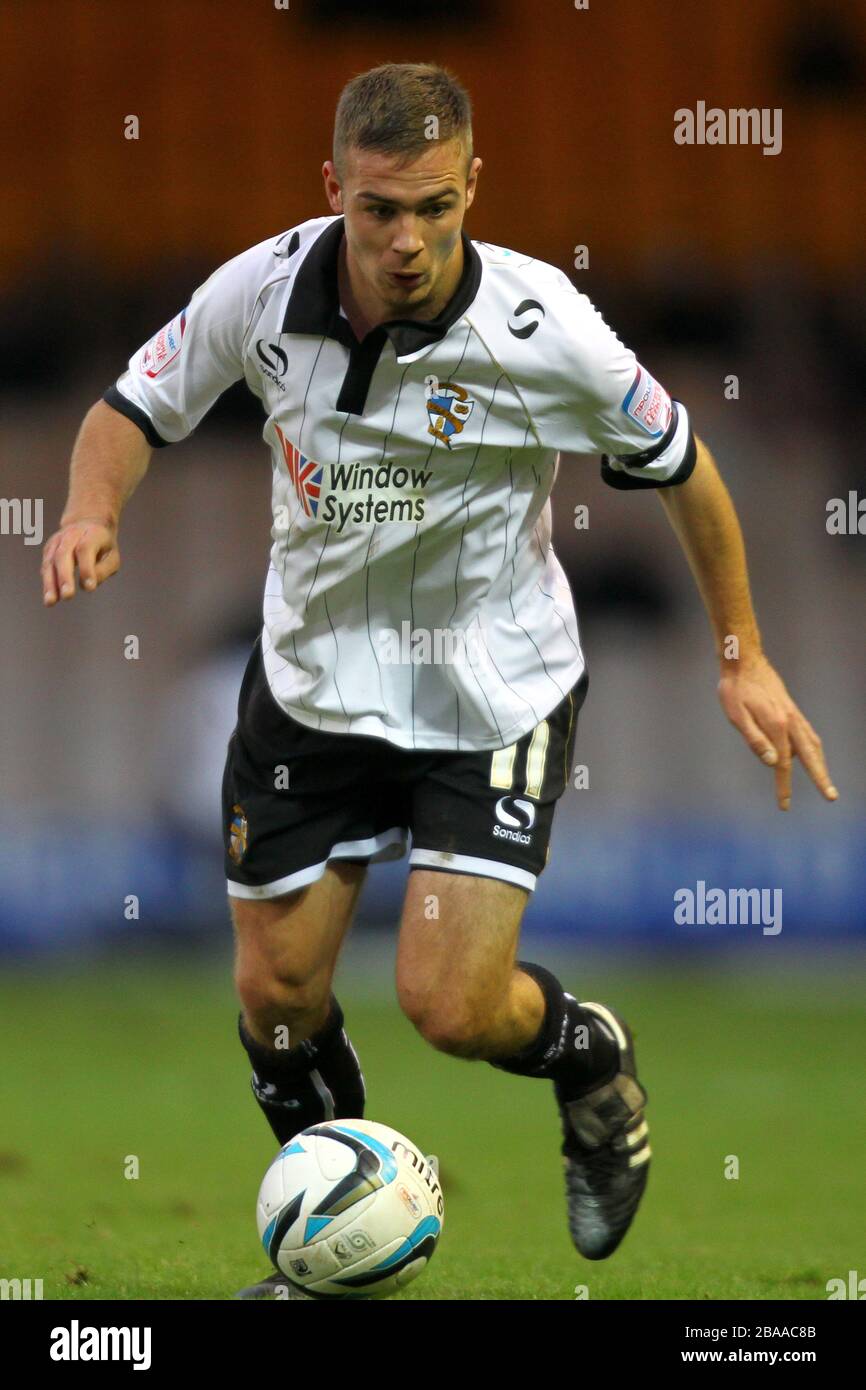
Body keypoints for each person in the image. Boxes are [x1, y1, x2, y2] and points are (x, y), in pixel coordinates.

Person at [41, 62, 837, 1300]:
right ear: (332, 192)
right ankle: (331, 1265)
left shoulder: (542, 328)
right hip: (310, 688)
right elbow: (130, 407)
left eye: (432, 208)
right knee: (277, 999)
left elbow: (686, 468)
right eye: (376, 211)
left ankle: (590, 1063)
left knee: (450, 1005)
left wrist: (742, 655)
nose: (405, 240)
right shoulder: (259, 289)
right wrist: (89, 511)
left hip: (489, 695)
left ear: (474, 188)